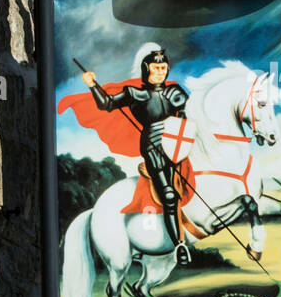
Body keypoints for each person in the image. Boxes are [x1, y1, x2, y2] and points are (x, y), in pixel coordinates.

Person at [80, 44, 195, 267]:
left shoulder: (175, 92)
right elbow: (107, 104)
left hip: (178, 144)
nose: (161, 71)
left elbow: (191, 112)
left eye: (164, 67)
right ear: (147, 69)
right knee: (169, 196)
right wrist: (92, 84)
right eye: (156, 67)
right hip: (153, 147)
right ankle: (179, 245)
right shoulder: (136, 94)